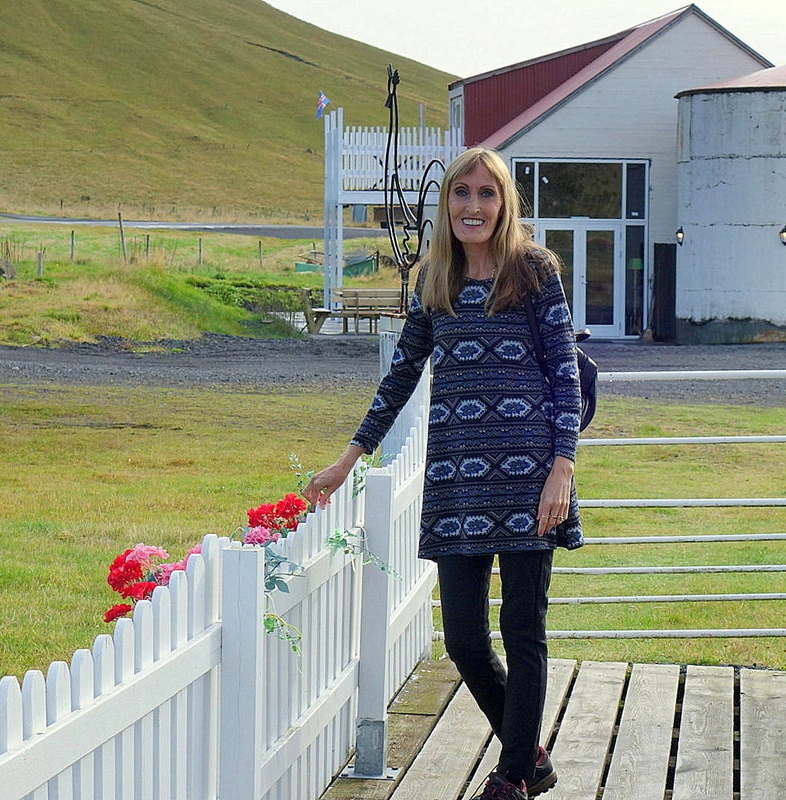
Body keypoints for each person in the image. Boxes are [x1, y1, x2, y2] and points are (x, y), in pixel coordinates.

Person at [301, 146, 583, 800]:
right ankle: (531, 757)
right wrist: (350, 457)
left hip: (529, 478)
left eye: (487, 194)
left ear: (504, 202)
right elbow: (402, 374)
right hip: (458, 484)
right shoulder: (435, 279)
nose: (474, 206)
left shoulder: (535, 272)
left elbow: (564, 375)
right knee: (462, 638)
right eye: (463, 194)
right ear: (446, 205)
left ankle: (511, 778)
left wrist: (562, 467)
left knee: (523, 631)